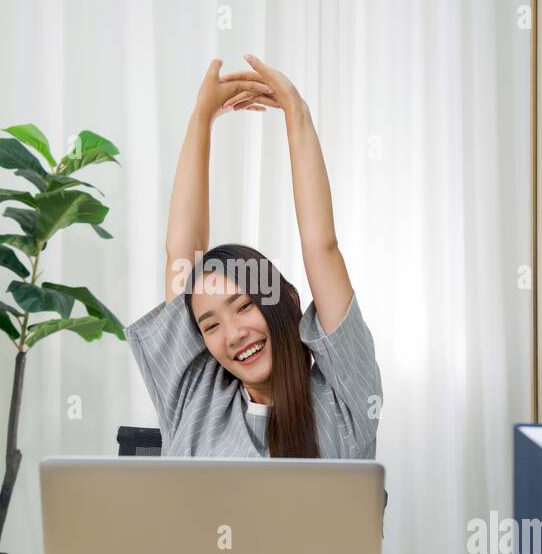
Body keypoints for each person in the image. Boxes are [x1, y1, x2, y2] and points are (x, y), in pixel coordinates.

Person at [127, 54, 382, 458]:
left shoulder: (344, 400)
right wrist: (201, 118)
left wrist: (297, 112)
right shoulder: (193, 396)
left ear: (289, 300)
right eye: (210, 326)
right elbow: (181, 250)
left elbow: (322, 245)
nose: (233, 335)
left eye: (243, 305)